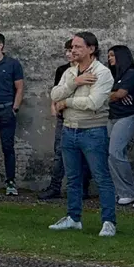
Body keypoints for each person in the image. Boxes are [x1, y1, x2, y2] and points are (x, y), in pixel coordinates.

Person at [49, 31, 117, 236]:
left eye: (78, 47)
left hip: (92, 130)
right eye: (72, 47)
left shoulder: (103, 73)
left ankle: (108, 221)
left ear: (91, 49)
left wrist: (67, 102)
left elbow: (94, 103)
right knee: (73, 177)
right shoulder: (70, 72)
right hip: (69, 128)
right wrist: (75, 83)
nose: (73, 50)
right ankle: (73, 217)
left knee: (101, 177)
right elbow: (54, 94)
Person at [0, 33, 25, 196]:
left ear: (0, 46)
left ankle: (10, 182)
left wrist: (14, 108)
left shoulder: (12, 64)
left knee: (8, 147)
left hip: (6, 110)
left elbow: (20, 88)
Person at [39, 40, 76, 200]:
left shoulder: (89, 70)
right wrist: (54, 106)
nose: (68, 54)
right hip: (63, 116)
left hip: (79, 114)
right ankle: (55, 186)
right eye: (67, 50)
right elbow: (57, 91)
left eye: (71, 50)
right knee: (59, 152)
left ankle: (81, 187)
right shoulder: (62, 70)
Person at [106, 45, 134, 205]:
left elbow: (120, 94)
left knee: (116, 152)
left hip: (128, 116)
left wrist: (100, 96)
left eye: (113, 56)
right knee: (111, 155)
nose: (109, 59)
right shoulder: (112, 76)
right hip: (112, 117)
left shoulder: (131, 74)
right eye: (108, 56)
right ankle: (121, 190)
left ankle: (131, 191)